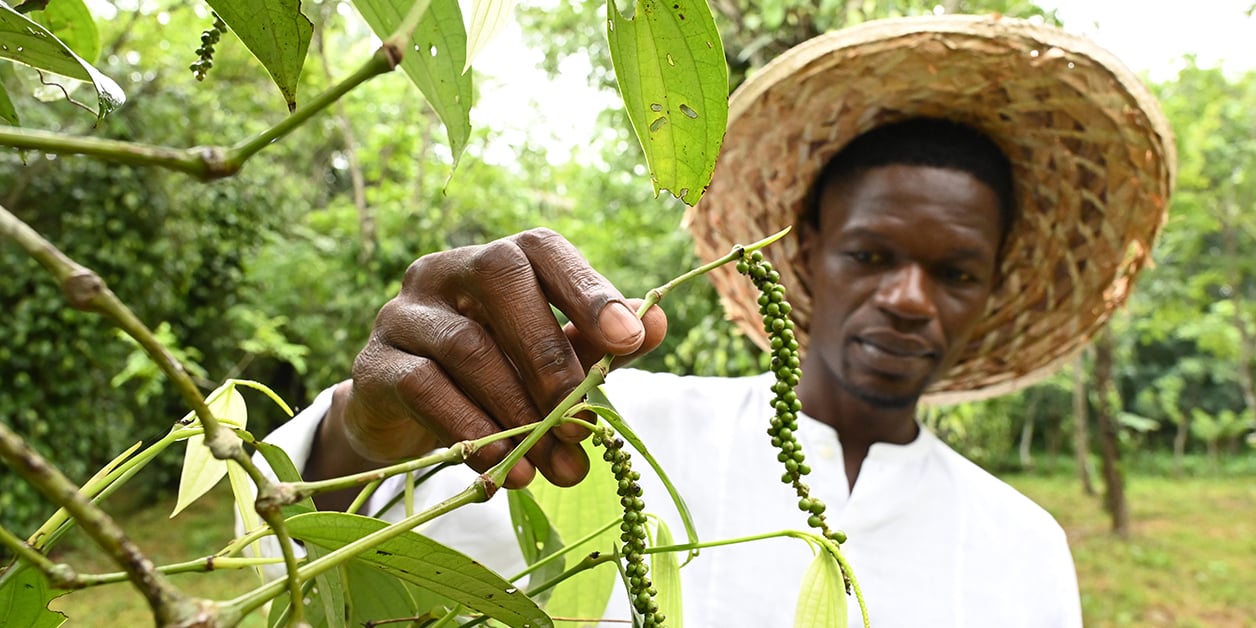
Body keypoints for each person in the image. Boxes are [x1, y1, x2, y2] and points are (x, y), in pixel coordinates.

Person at [259, 14, 1175, 627]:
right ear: (806, 249)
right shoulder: (605, 434)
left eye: (955, 271)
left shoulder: (1021, 547)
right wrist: (357, 437)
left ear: (993, 291)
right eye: (871, 254)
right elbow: (332, 578)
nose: (908, 297)